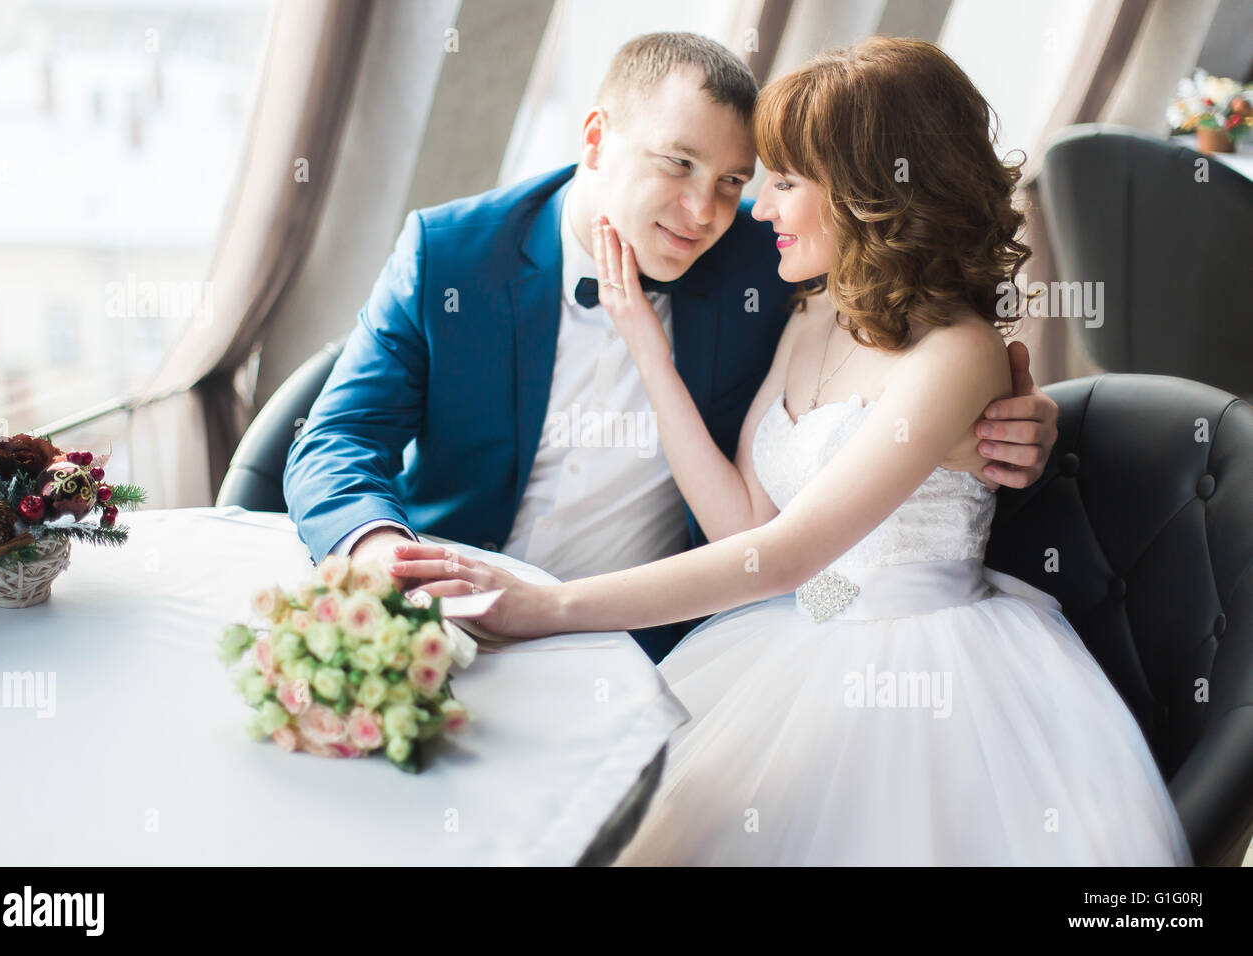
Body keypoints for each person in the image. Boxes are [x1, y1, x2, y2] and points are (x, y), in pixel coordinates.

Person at [392, 37, 1193, 865]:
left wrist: (547, 608)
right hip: (788, 638)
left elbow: (781, 557)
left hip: (921, 674)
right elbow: (741, 522)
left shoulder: (959, 353)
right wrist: (648, 351)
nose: (756, 210)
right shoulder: (813, 314)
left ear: (865, 192)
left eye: (779, 183)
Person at [283, 32, 1057, 665]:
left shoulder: (776, 268)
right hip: (455, 609)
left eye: (736, 180)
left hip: (652, 643)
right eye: (677, 164)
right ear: (597, 138)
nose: (712, 212)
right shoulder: (452, 255)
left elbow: (902, 376)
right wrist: (383, 549)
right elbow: (338, 439)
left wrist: (1018, 419)